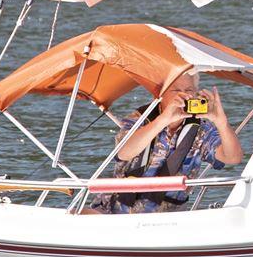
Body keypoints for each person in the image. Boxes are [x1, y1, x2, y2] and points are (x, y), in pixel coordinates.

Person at [91, 73, 243, 214]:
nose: (183, 95)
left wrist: (221, 122)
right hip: (117, 211)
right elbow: (124, 152)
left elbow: (232, 158)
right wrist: (164, 120)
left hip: (168, 218)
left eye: (189, 90)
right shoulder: (138, 120)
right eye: (175, 90)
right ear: (159, 95)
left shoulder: (201, 129)